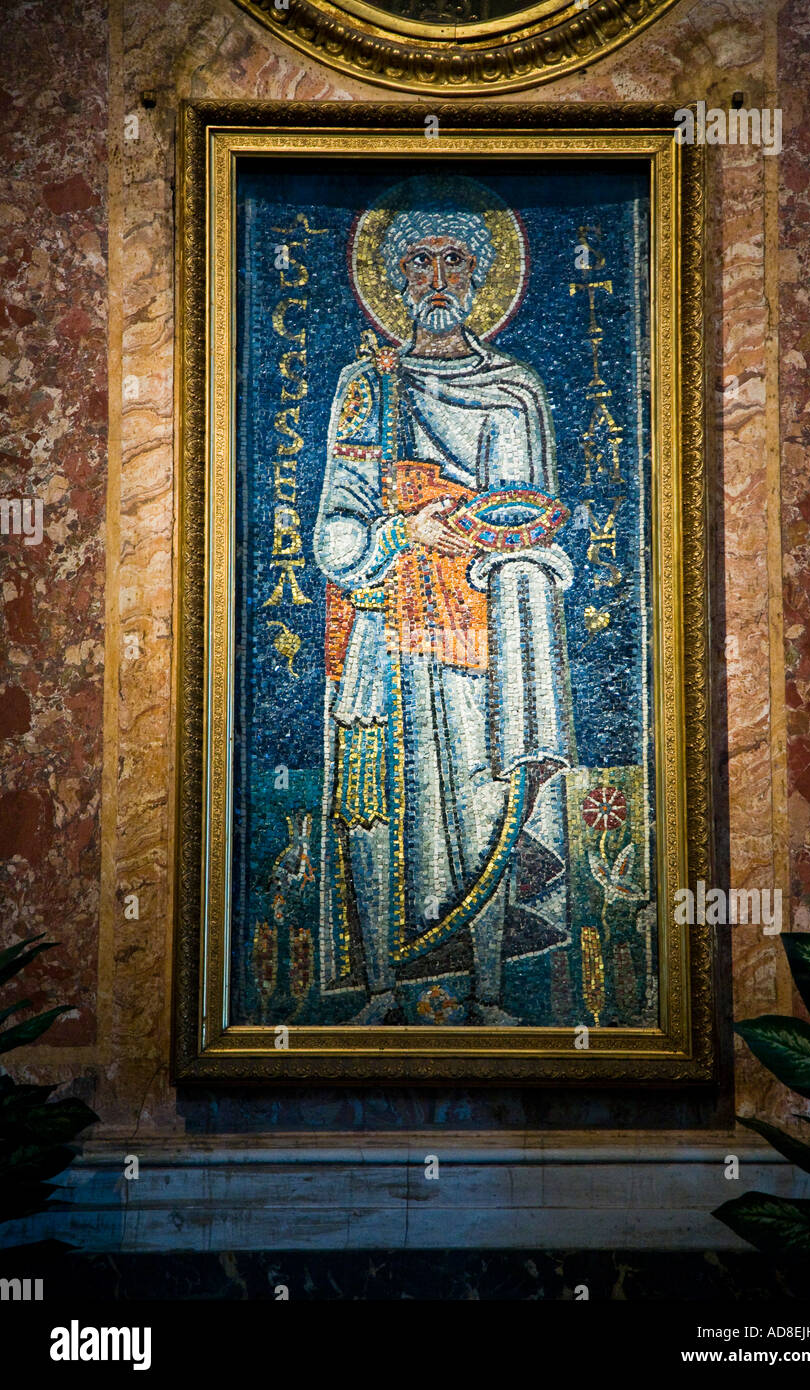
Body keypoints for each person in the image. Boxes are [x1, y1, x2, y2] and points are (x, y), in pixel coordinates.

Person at [313, 191, 575, 1024]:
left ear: (479, 274)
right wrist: (400, 528)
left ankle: (488, 993)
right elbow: (335, 526)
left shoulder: (513, 391)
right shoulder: (367, 385)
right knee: (371, 799)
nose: (436, 277)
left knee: (483, 794)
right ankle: (383, 991)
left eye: (454, 260)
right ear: (395, 277)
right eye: (420, 260)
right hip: (383, 621)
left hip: (474, 623)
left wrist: (508, 547)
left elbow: (529, 515)